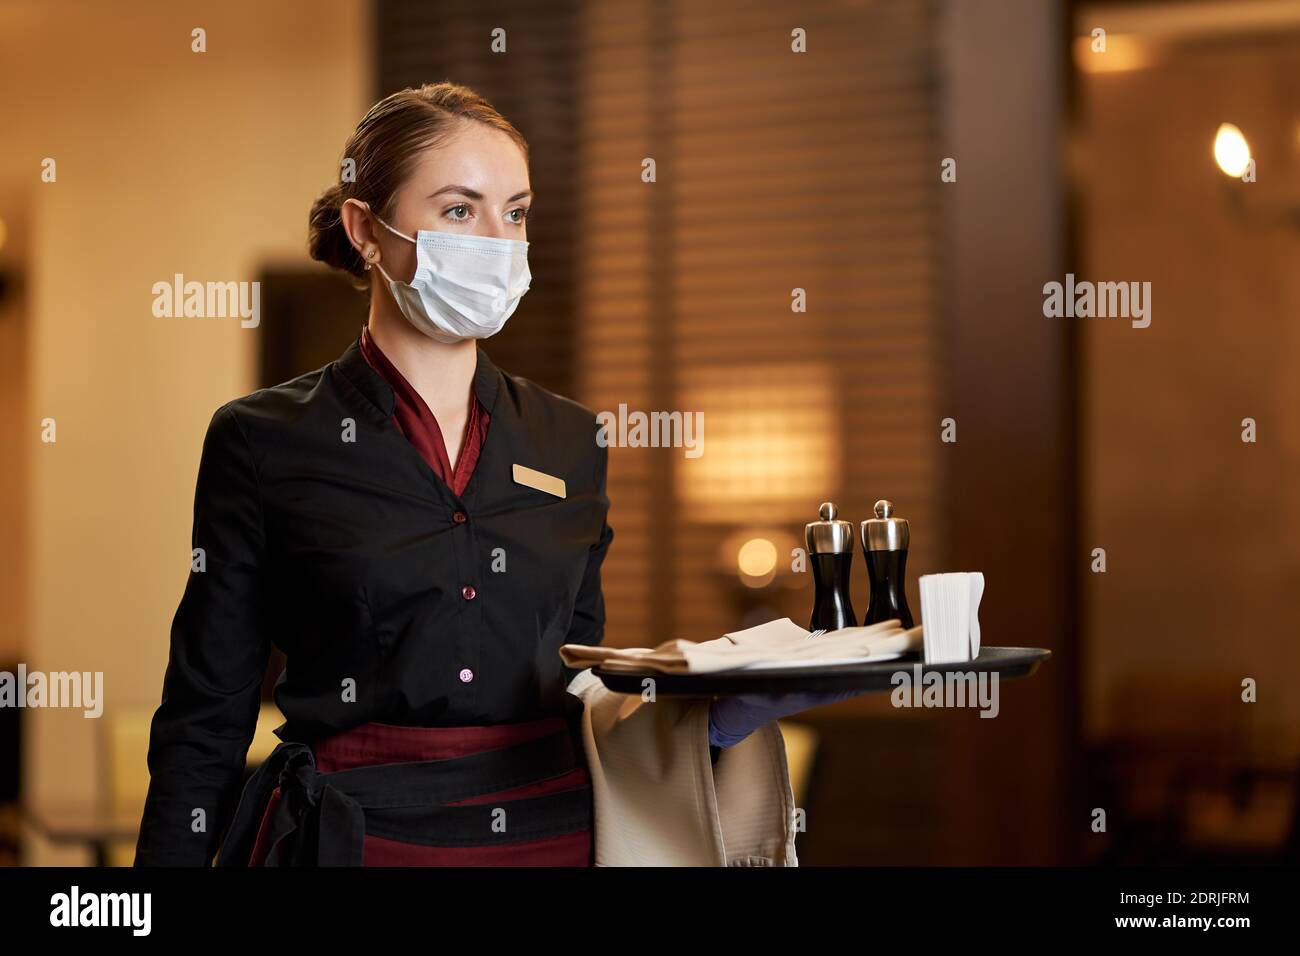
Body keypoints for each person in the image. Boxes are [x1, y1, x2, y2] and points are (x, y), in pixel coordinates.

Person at [134, 81, 853, 868]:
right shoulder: (263, 441)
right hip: (356, 839)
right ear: (365, 231)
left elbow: (581, 689)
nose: (497, 239)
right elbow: (206, 715)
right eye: (458, 210)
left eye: (514, 212)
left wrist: (712, 712)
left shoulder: (570, 440)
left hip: (556, 834)